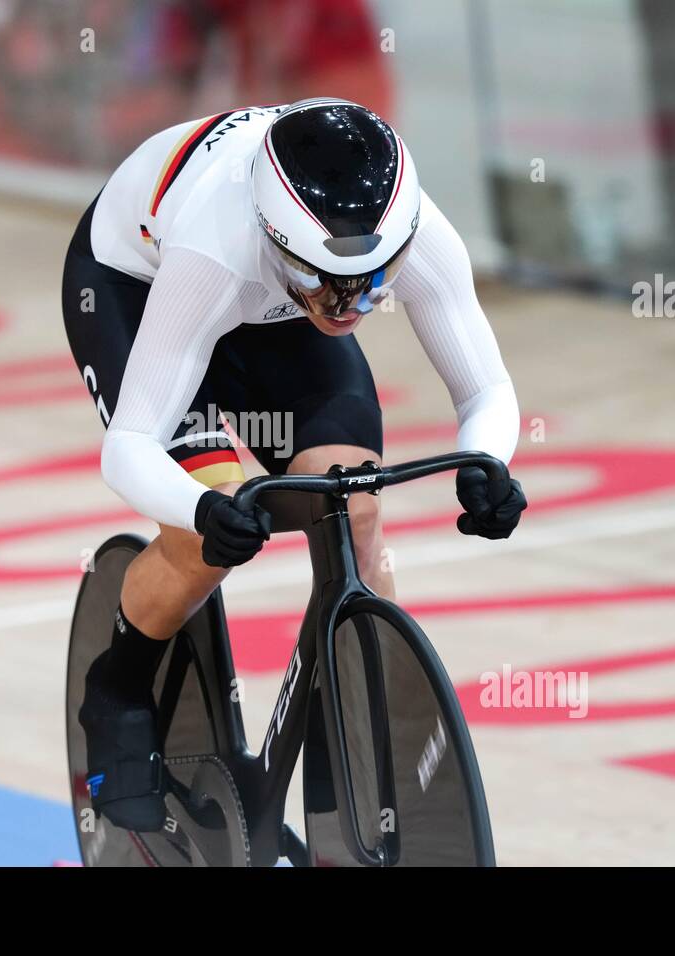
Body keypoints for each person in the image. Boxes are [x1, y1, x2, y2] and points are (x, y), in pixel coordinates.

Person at [62, 98, 526, 831]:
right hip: (139, 284)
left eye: (376, 284)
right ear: (277, 240)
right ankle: (115, 686)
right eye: (332, 284)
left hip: (272, 304)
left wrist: (489, 464)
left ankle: (363, 732)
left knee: (356, 509)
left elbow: (486, 388)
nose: (353, 306)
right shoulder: (214, 250)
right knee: (203, 539)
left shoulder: (405, 230)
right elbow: (128, 449)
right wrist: (205, 510)